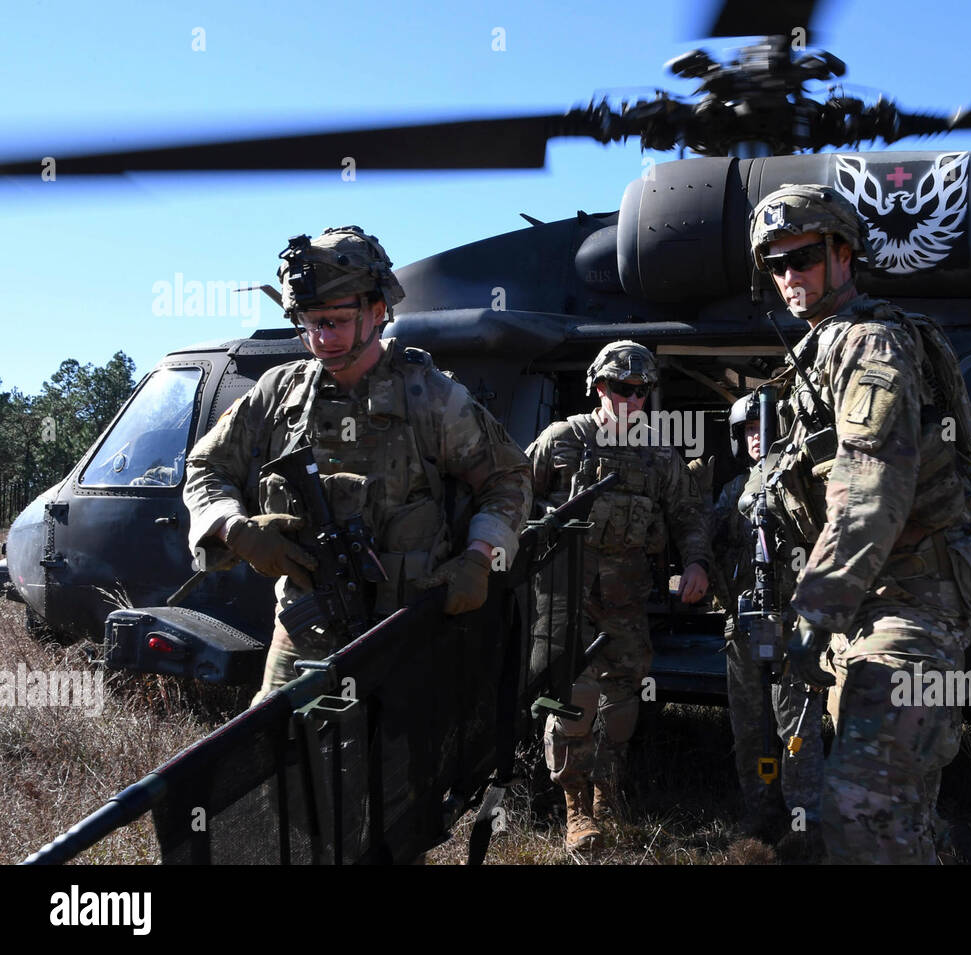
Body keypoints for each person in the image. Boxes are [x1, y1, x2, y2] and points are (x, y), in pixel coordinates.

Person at [745, 186, 971, 864]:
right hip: (870, 602)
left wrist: (815, 609)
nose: (788, 279)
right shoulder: (817, 355)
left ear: (843, 254)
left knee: (863, 805)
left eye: (802, 258)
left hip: (910, 601)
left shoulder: (870, 343)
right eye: (774, 266)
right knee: (891, 807)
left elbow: (872, 481)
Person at [183, 226, 532, 704]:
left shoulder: (431, 397)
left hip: (407, 629)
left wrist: (479, 557)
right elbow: (206, 467)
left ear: (377, 311)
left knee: (395, 769)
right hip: (306, 624)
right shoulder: (278, 393)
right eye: (309, 322)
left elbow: (507, 478)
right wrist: (232, 528)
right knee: (281, 757)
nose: (321, 338)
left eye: (336, 321)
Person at [527, 340, 712, 850]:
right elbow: (514, 495)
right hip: (565, 594)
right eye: (619, 388)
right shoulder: (562, 439)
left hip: (626, 597)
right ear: (599, 386)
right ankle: (575, 809)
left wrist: (696, 562)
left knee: (623, 697)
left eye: (640, 390)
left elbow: (688, 514)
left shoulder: (658, 453)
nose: (630, 399)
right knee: (573, 700)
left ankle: (608, 795)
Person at [712, 393, 826, 859]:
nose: (756, 438)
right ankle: (761, 809)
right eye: (748, 432)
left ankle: (805, 819)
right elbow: (708, 541)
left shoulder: (804, 482)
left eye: (764, 429)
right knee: (751, 727)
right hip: (745, 624)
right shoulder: (733, 490)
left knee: (796, 726)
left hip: (792, 621)